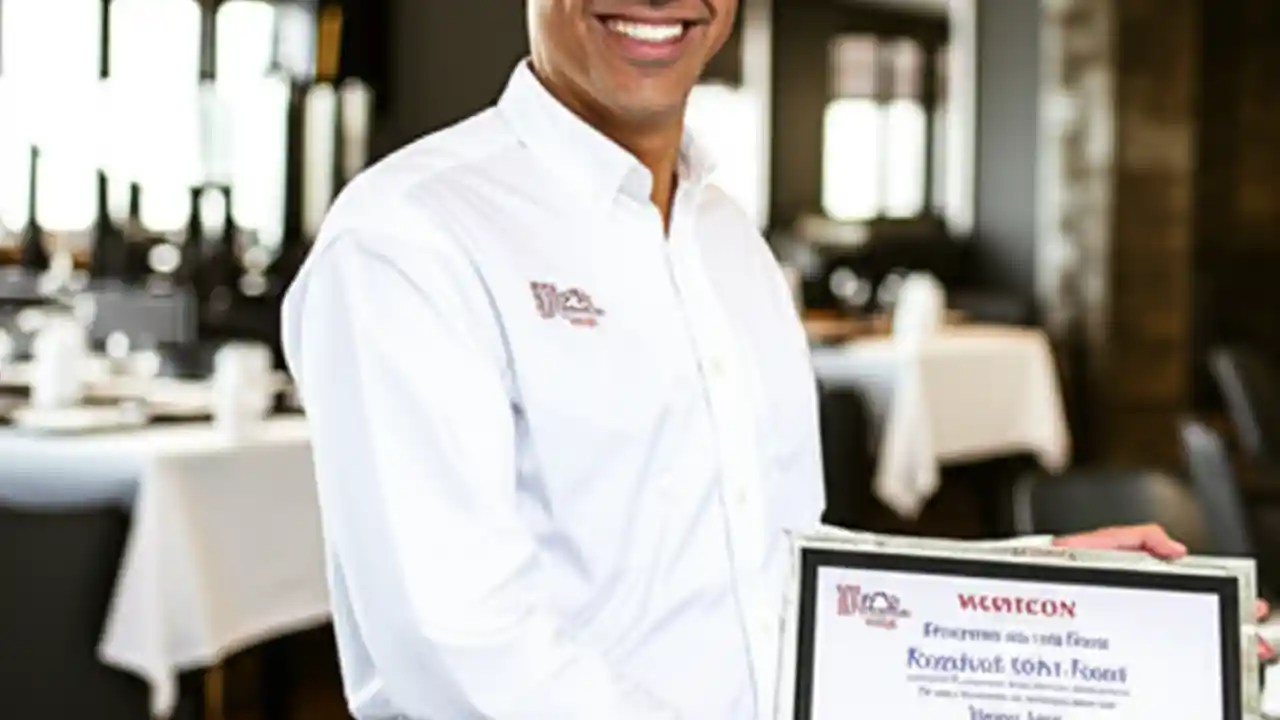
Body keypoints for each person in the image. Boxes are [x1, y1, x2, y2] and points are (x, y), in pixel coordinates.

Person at [281, 1, 1270, 718]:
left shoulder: (726, 238)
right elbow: (458, 649)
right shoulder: (410, 236)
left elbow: (773, 571)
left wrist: (1027, 595)